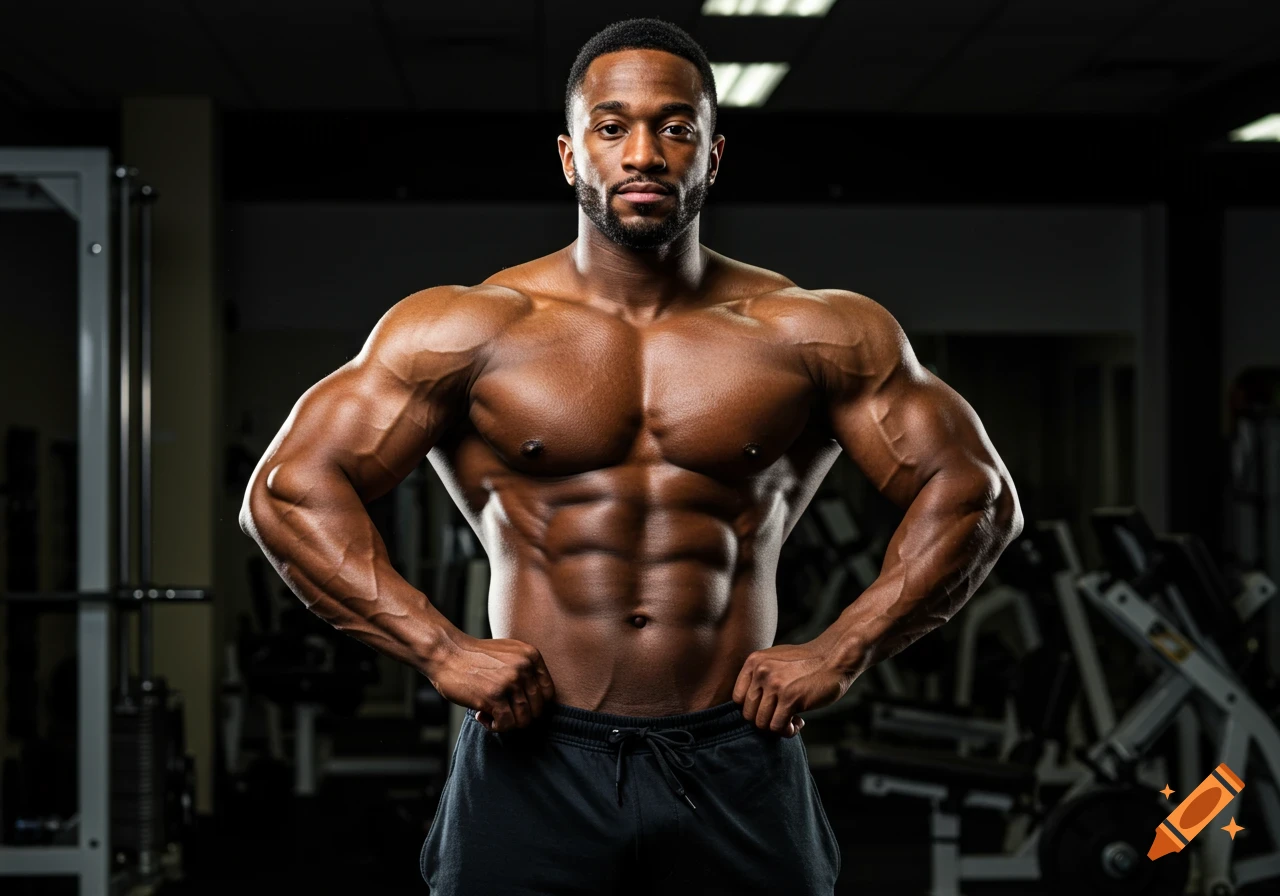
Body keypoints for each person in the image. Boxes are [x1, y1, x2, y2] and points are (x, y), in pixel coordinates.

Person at [239, 17, 1023, 896]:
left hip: (738, 753)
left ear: (712, 156)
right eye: (612, 128)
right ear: (572, 155)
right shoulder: (468, 328)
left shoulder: (814, 330)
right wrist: (439, 649)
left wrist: (844, 647)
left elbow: (974, 494)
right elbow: (288, 489)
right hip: (533, 754)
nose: (643, 153)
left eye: (674, 126)